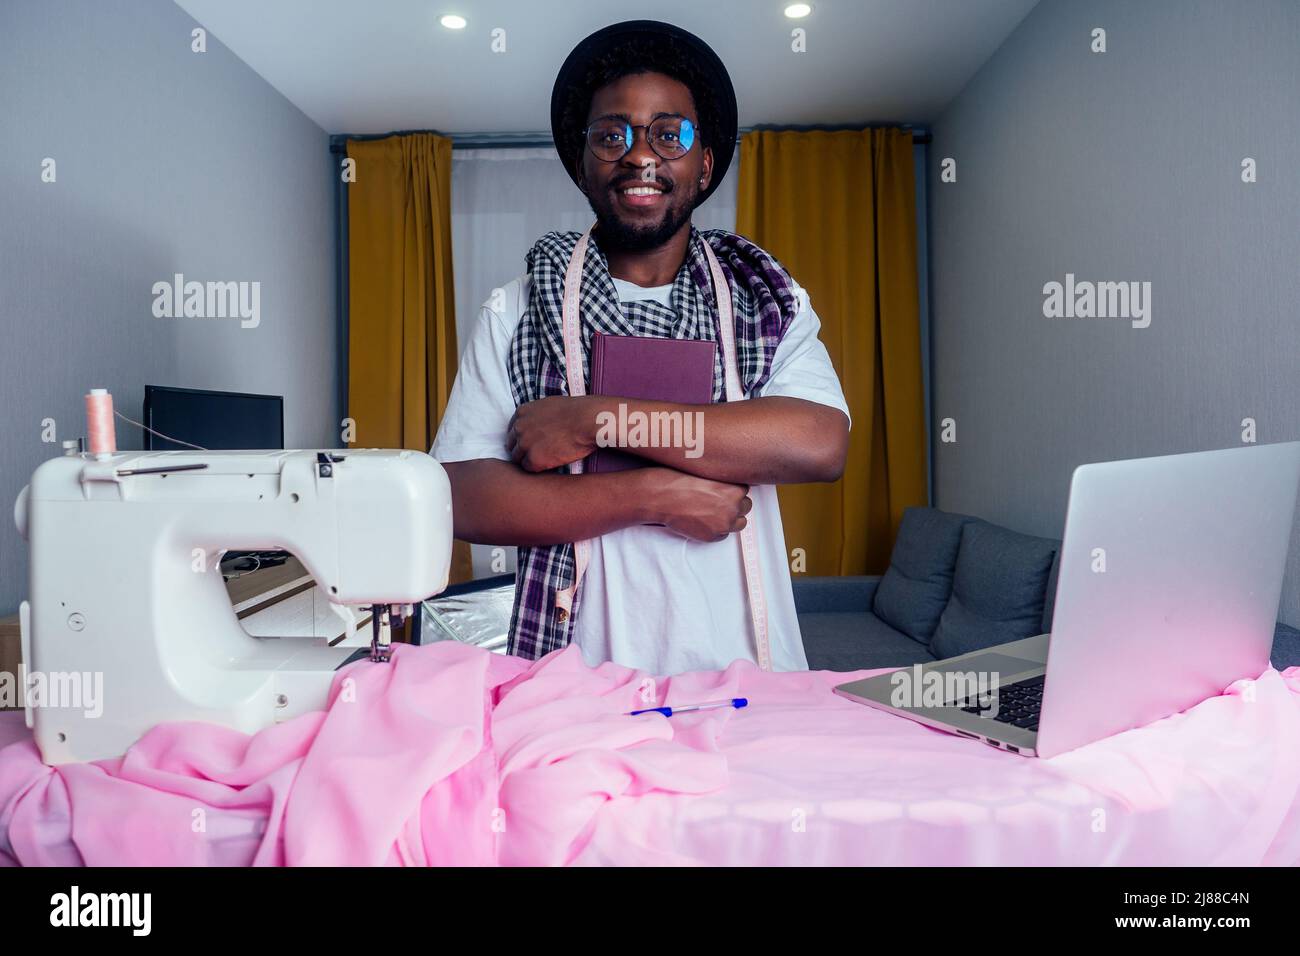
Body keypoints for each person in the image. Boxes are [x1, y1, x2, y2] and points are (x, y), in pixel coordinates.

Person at [432, 20, 849, 674]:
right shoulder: (516, 307)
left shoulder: (766, 299)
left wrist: (597, 418)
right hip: (578, 680)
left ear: (704, 161)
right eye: (611, 135)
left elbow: (817, 442)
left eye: (669, 132)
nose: (639, 154)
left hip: (743, 678)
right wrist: (655, 494)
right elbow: (462, 494)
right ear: (582, 162)